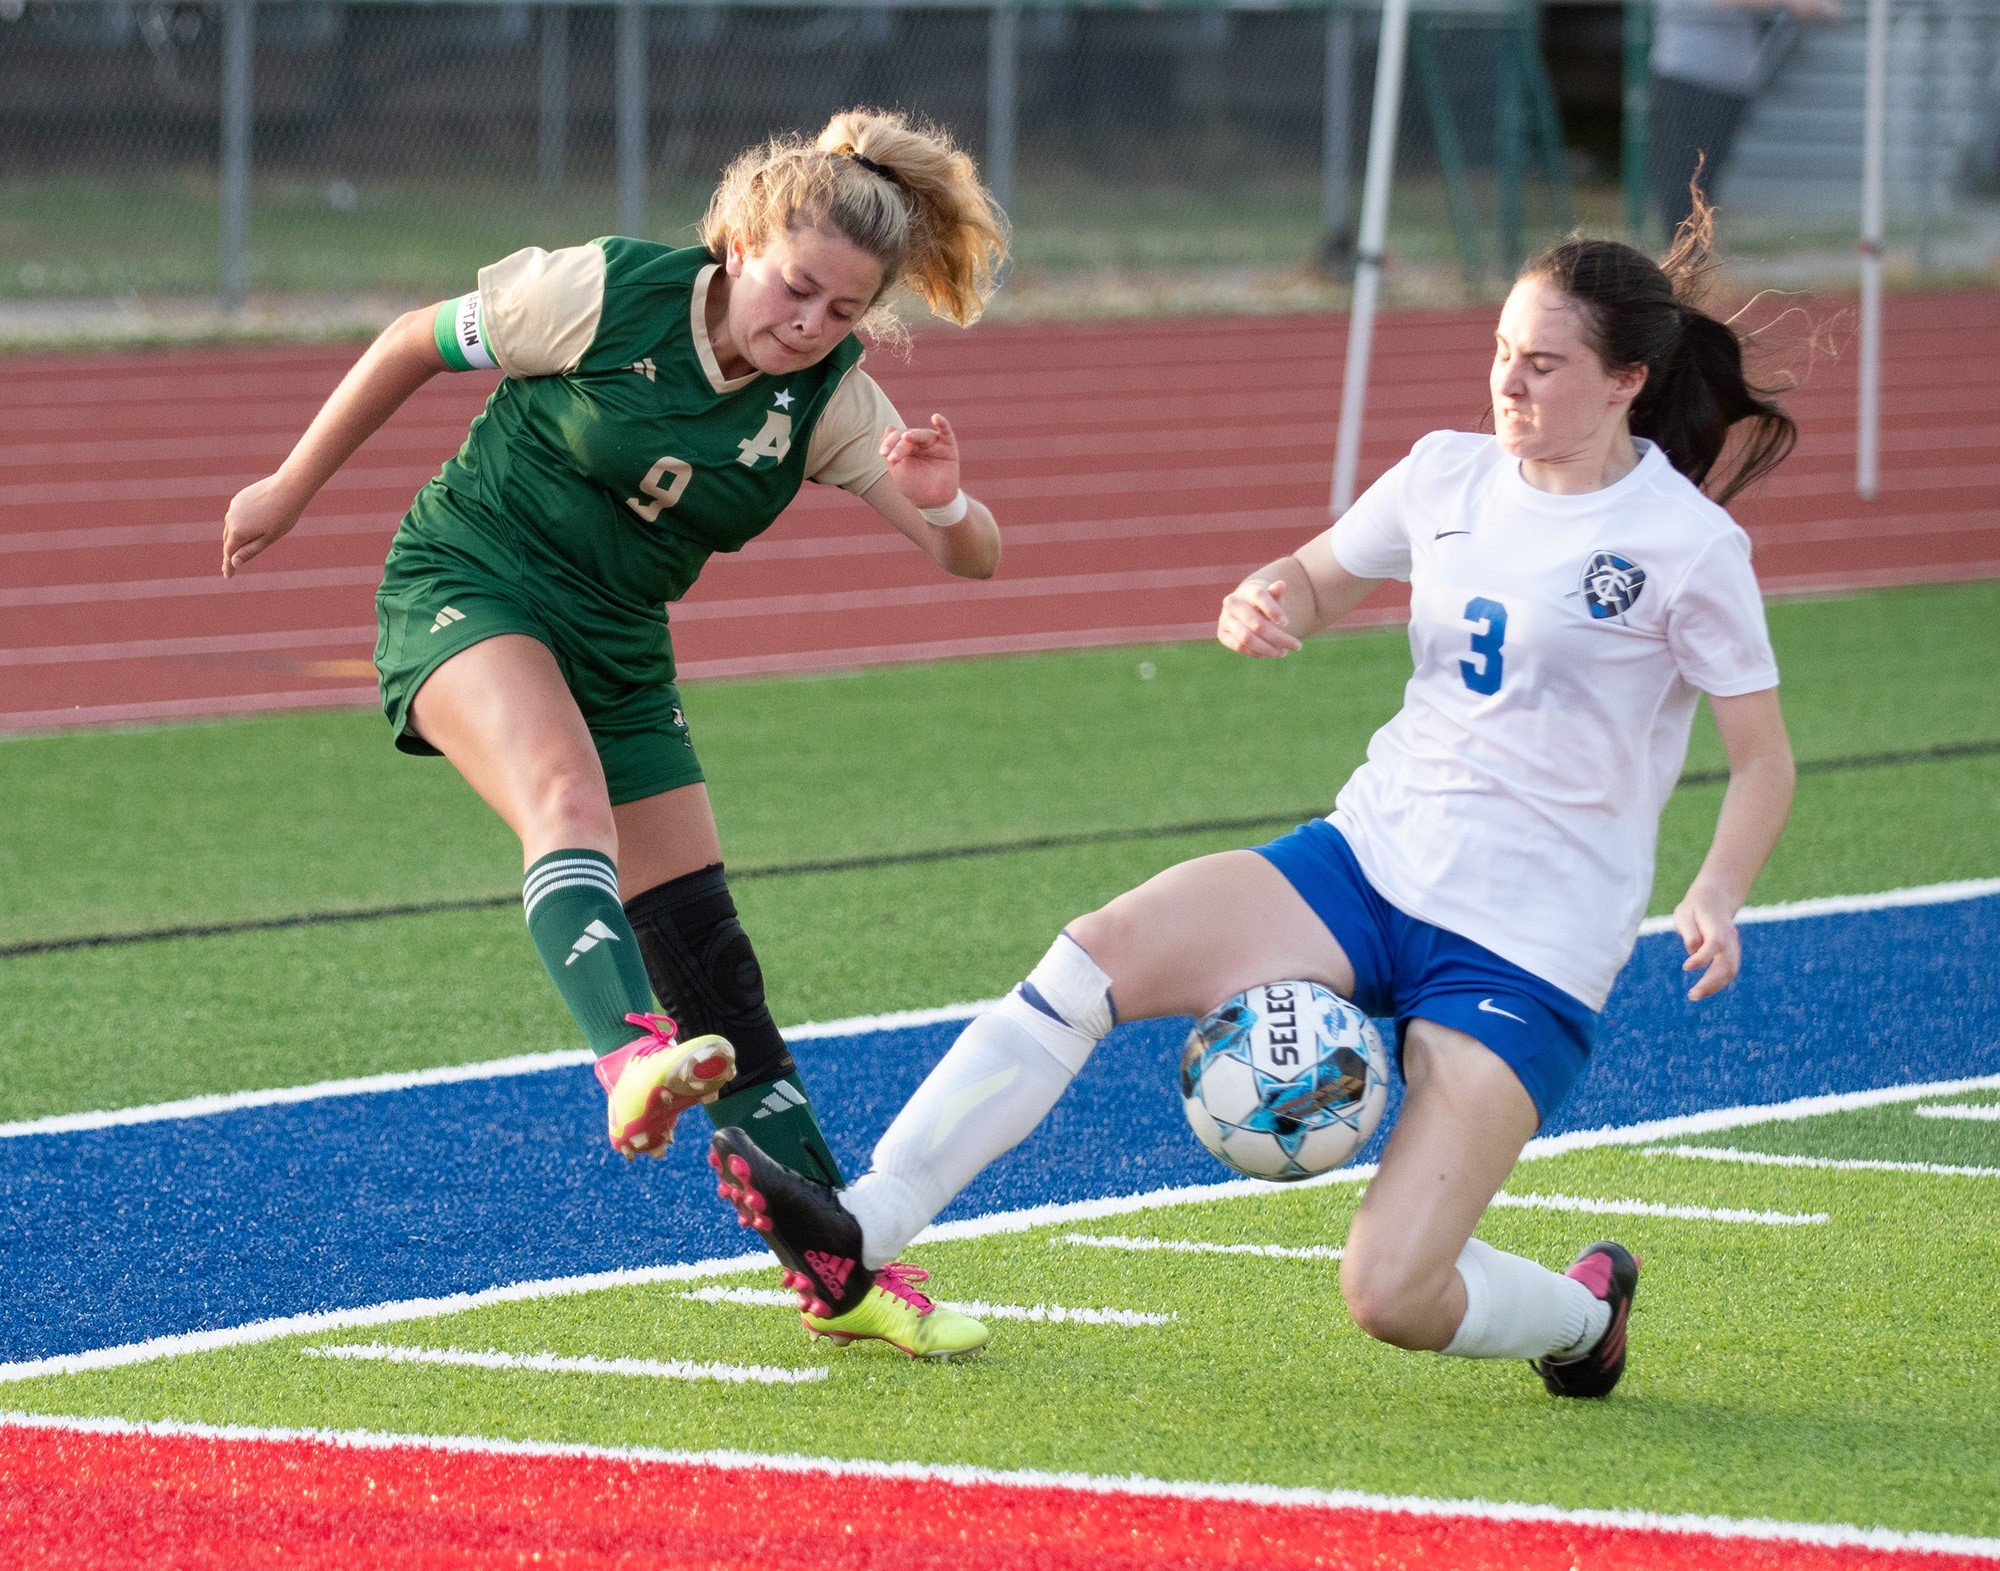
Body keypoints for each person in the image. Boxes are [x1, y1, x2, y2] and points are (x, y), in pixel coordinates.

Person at [711, 198, 1799, 1395]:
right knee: (1095, 953)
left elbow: (1760, 757)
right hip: (1371, 861)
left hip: (1526, 945)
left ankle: (1579, 1316)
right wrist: (1265, 596)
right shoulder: (1446, 472)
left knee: (1390, 1293)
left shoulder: (1683, 546)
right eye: (1499, 350)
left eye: (1541, 365)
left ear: (1625, 382)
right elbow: (1318, 575)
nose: (1507, 382)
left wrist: (1716, 887)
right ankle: (864, 1228)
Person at [220, 108, 1009, 1359]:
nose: (808, 325)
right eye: (797, 289)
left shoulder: (828, 401)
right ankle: (627, 1054)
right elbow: (408, 343)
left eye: (842, 313)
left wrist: (943, 499)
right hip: (470, 577)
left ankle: (840, 1268)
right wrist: (288, 486)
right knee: (564, 802)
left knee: (715, 965)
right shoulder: (600, 292)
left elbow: (972, 559)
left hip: (619, 642)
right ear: (740, 240)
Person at [1650, 0, 1841, 235]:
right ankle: (1682, 257)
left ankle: (1696, 253)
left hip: (1732, 82)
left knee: (1706, 181)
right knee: (1685, 178)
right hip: (1690, 78)